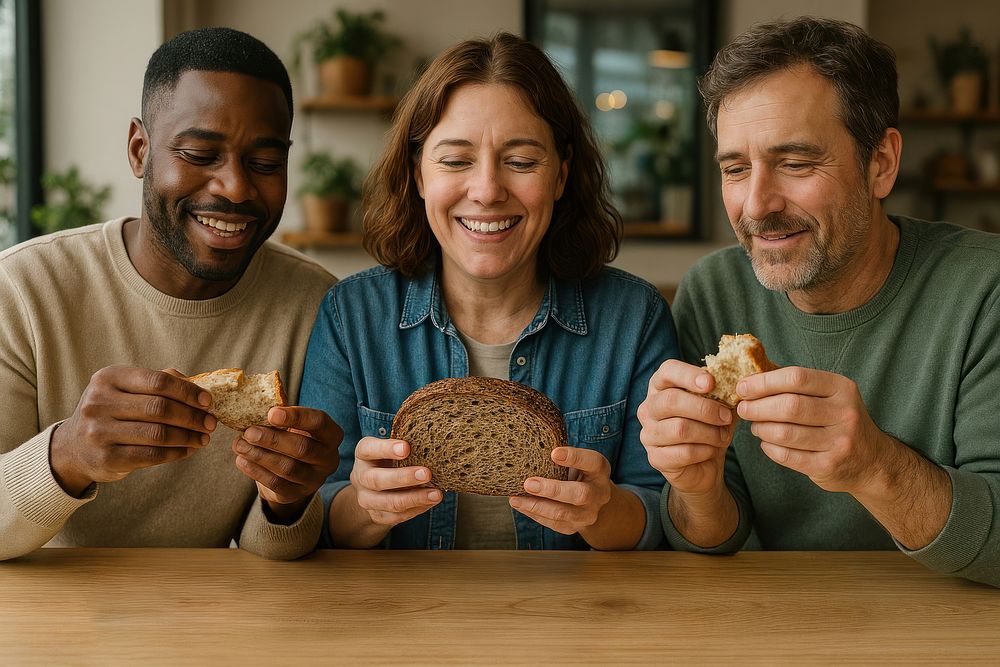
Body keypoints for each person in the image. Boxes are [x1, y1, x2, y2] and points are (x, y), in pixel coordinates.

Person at [637, 16, 1000, 586]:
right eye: (735, 168)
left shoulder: (987, 290)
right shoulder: (714, 290)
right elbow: (708, 537)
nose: (757, 205)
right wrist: (695, 484)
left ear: (881, 163)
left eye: (797, 163)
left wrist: (874, 466)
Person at [301, 32, 676, 550]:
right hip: (399, 619)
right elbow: (313, 512)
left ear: (561, 176)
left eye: (521, 162)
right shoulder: (352, 316)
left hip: (582, 622)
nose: (486, 191)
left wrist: (602, 511)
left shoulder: (634, 318)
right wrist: (366, 505)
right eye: (455, 161)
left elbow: (664, 514)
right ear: (417, 176)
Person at [0, 28, 343, 561]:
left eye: (266, 164)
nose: (235, 188)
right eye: (200, 154)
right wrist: (67, 453)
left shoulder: (315, 303)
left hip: (211, 619)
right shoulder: (23, 290)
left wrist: (287, 501)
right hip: (47, 625)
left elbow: (273, 552)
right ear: (140, 150)